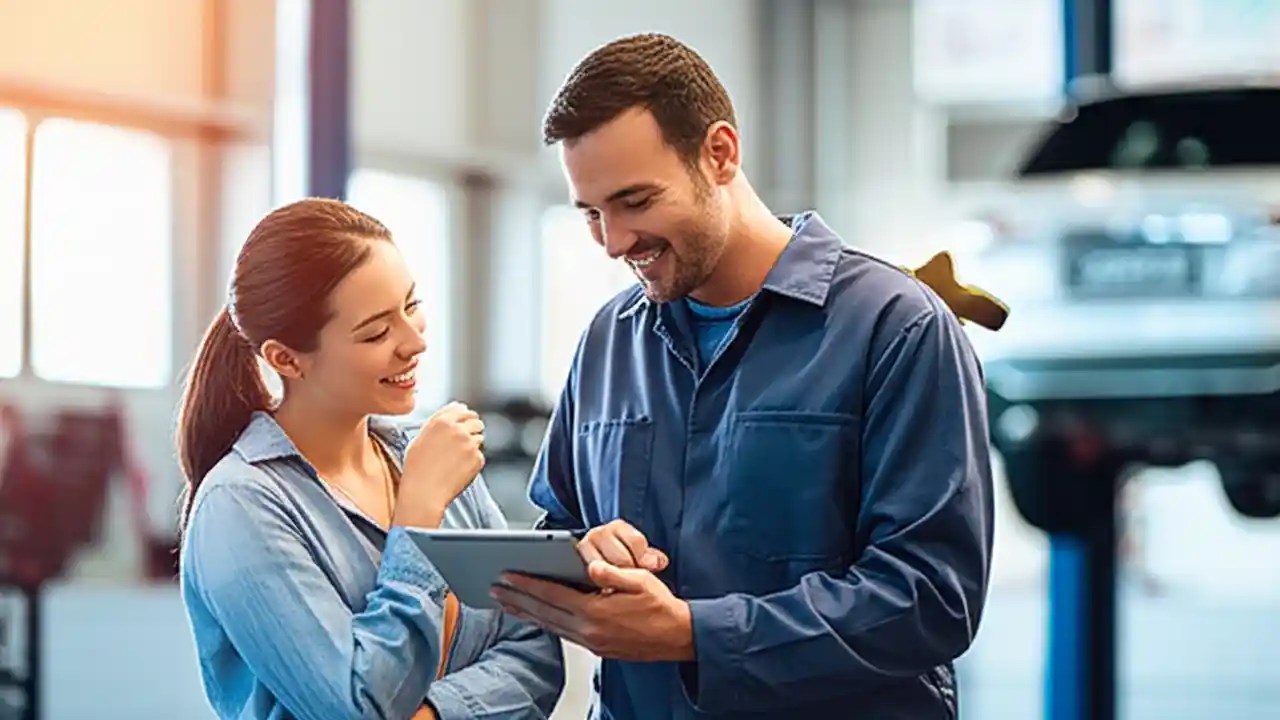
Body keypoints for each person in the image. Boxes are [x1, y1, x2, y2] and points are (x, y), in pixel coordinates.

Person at [491, 33, 994, 719]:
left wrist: (694, 635)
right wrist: (585, 551)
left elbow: (931, 597)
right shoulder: (611, 339)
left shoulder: (896, 329)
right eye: (591, 213)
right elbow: (563, 522)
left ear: (720, 153)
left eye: (635, 201)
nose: (612, 242)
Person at [176, 198, 564, 720]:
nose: (414, 341)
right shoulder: (241, 505)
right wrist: (417, 517)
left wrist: (431, 716)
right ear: (285, 359)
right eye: (377, 332)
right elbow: (355, 707)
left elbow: (533, 648)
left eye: (412, 305)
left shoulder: (427, 455)